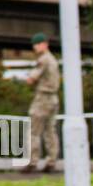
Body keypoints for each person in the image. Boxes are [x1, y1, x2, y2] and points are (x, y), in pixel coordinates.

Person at [24, 32, 60, 173]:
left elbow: (31, 79)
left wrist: (30, 81)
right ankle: (51, 161)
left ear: (45, 44)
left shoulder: (43, 59)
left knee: (34, 130)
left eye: (37, 44)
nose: (35, 47)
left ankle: (33, 162)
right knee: (50, 130)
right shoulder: (53, 60)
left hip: (43, 98)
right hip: (54, 98)